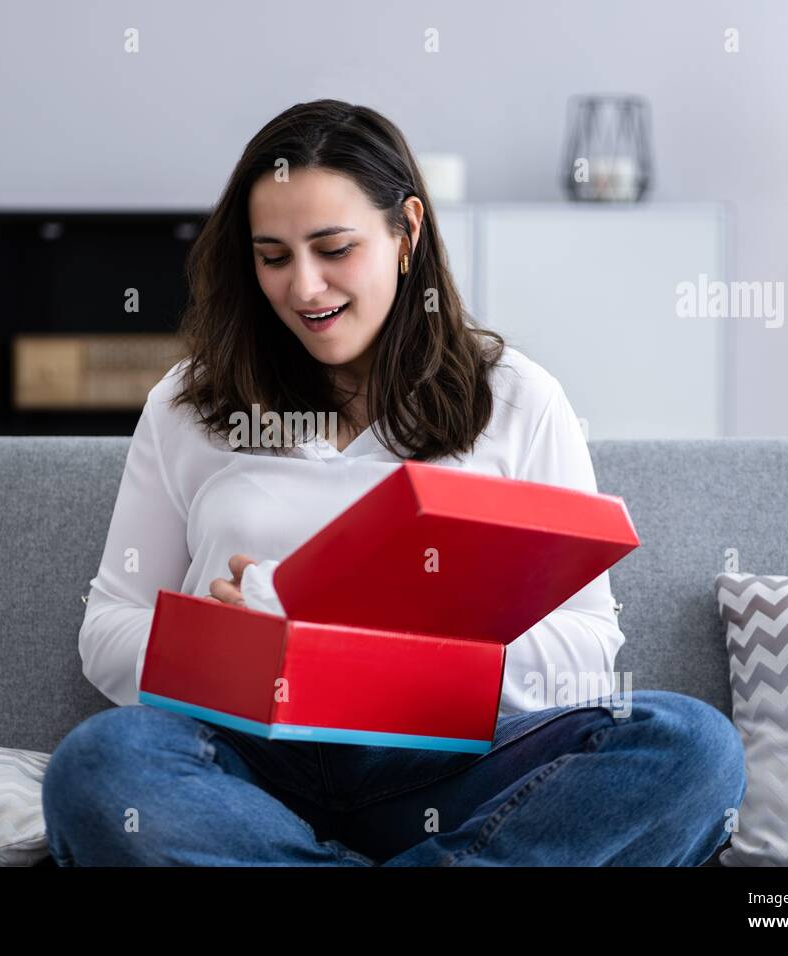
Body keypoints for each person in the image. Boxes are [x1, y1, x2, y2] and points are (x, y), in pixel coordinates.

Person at [41, 99, 746, 866]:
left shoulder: (516, 397)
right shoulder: (189, 404)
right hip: (251, 768)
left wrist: (425, 654)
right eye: (273, 257)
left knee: (693, 746)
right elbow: (109, 626)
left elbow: (588, 647)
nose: (305, 288)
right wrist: (238, 655)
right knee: (101, 765)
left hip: (456, 769)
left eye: (334, 248)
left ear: (406, 230)